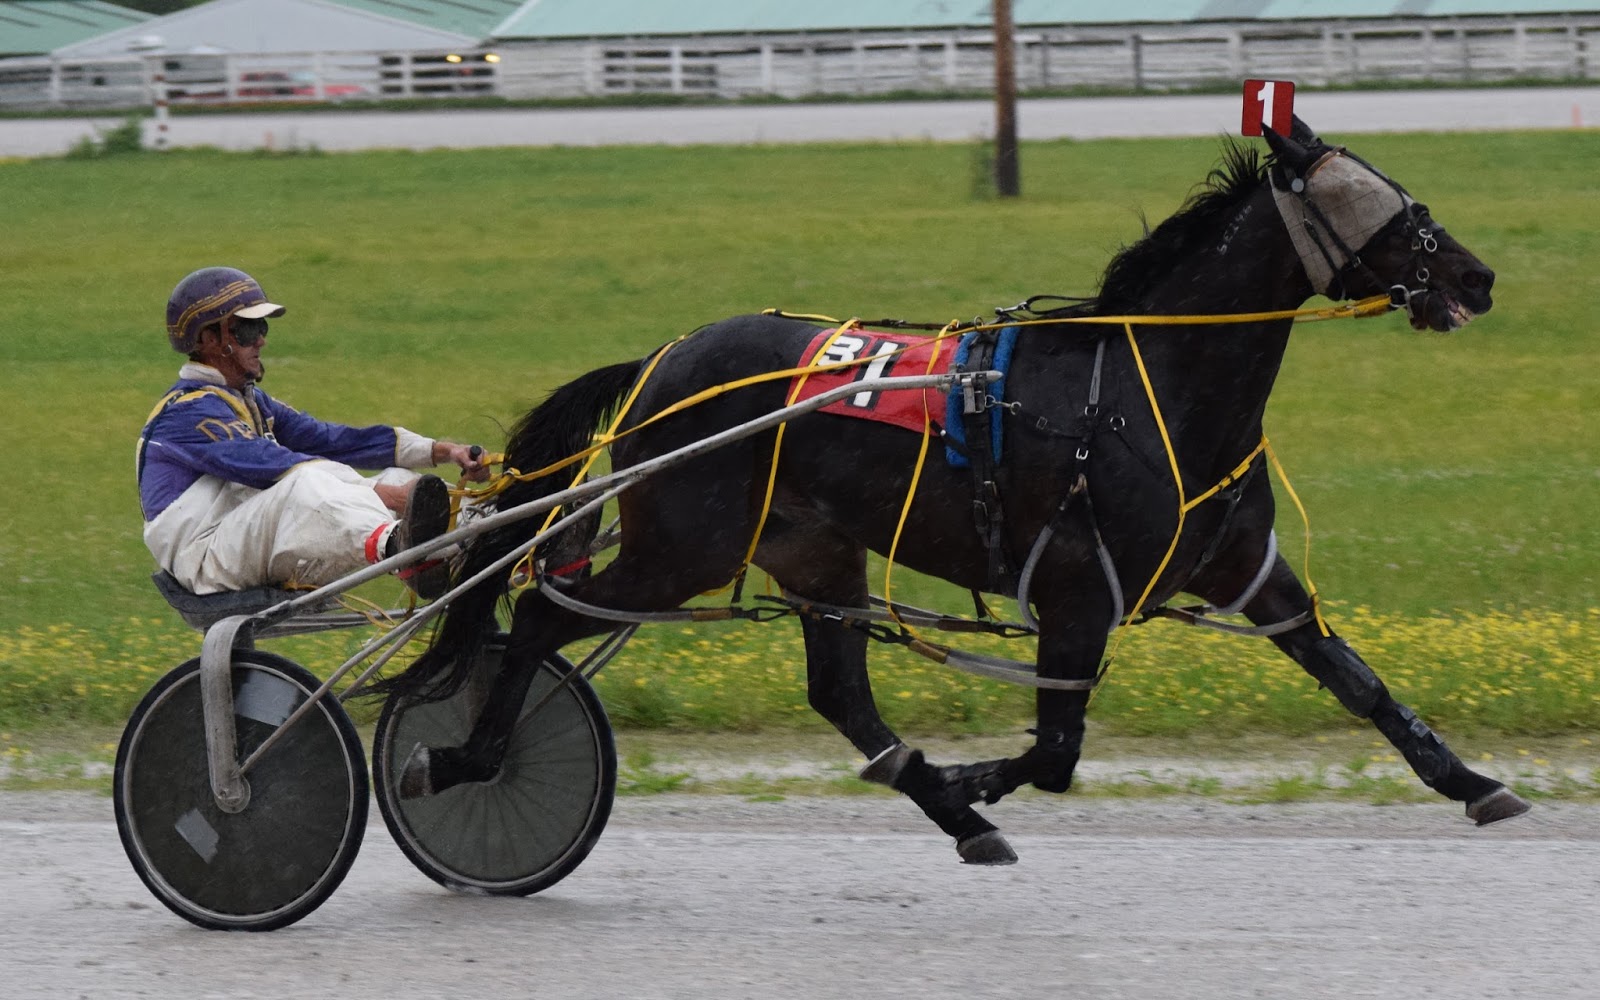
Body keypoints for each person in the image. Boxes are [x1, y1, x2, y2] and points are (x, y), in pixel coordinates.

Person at [138, 266, 488, 600]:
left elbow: (334, 441)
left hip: (249, 543)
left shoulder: (250, 400)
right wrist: (391, 498)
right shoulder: (185, 413)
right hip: (206, 560)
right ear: (209, 339)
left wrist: (442, 451)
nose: (260, 339)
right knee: (305, 483)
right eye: (247, 329)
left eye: (263, 326)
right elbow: (274, 468)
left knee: (399, 477)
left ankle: (487, 535)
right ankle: (400, 549)